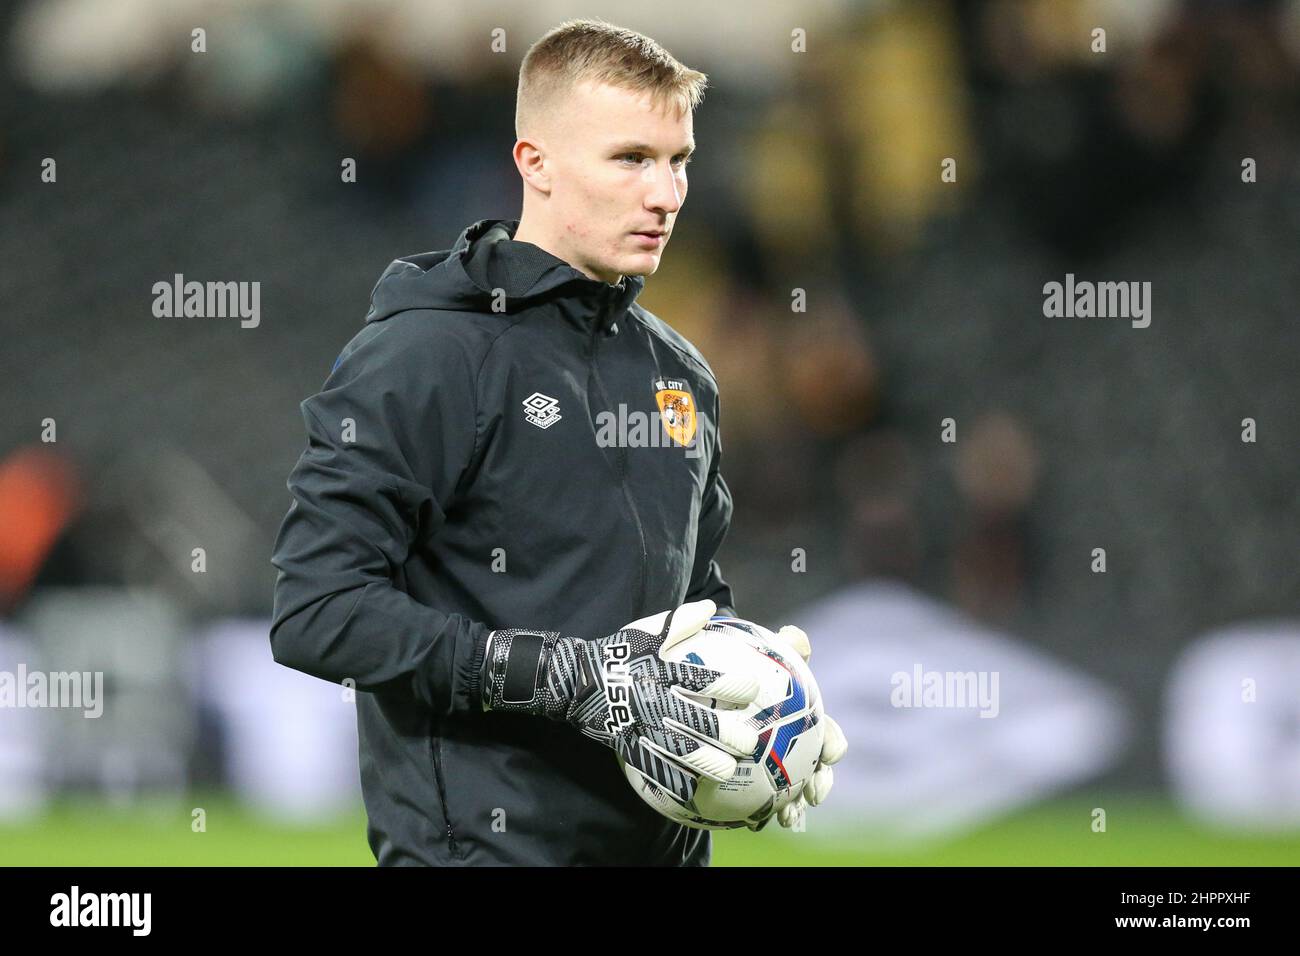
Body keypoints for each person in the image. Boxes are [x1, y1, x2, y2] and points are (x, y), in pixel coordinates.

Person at [270, 17, 845, 866]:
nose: (666, 194)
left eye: (678, 160)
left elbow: (688, 613)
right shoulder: (425, 355)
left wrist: (758, 708)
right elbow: (317, 612)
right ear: (533, 163)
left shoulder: (680, 375)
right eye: (630, 159)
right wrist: (560, 678)